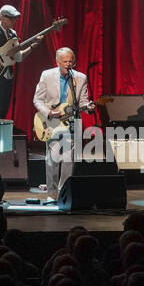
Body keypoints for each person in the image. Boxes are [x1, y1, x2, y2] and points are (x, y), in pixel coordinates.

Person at [33, 47, 93, 203]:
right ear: (58, 62)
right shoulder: (47, 75)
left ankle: (63, 193)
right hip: (52, 121)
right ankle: (51, 194)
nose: (68, 64)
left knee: (69, 159)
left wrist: (89, 107)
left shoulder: (80, 78)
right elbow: (37, 99)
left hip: (71, 122)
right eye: (65, 61)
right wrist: (48, 112)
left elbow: (83, 102)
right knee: (52, 158)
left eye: (71, 61)